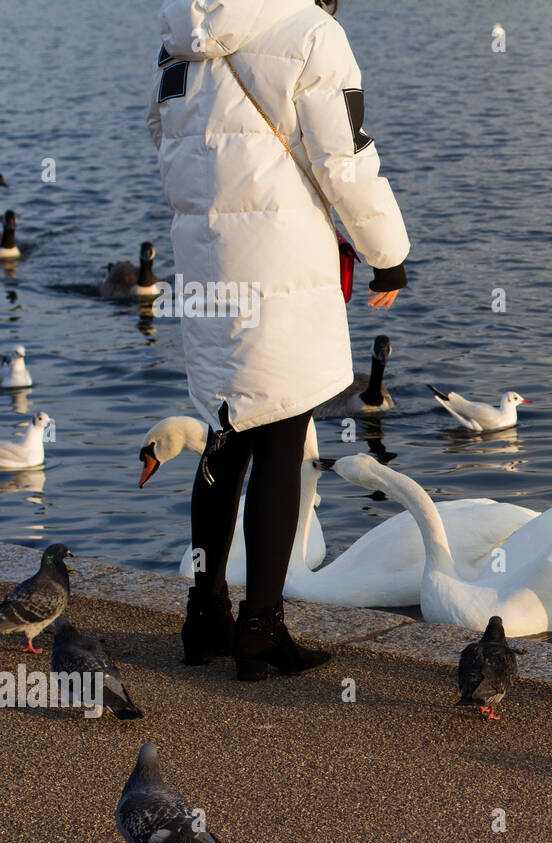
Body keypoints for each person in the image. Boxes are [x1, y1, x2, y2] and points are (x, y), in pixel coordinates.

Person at [147, 0, 409, 680]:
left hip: (205, 261)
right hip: (280, 262)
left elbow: (163, 138)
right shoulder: (313, 32)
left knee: (225, 429)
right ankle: (260, 630)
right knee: (284, 433)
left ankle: (205, 614)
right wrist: (388, 251)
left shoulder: (179, 37)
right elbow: (344, 157)